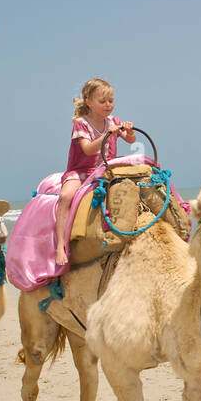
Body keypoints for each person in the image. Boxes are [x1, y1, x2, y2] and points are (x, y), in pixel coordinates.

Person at [55, 78, 136, 267]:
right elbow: (88, 149)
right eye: (103, 101)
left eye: (111, 101)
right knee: (66, 196)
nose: (108, 105)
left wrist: (129, 132)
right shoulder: (81, 123)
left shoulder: (114, 121)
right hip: (82, 171)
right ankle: (60, 245)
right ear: (89, 101)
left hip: (106, 170)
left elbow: (131, 141)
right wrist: (108, 134)